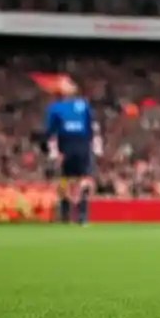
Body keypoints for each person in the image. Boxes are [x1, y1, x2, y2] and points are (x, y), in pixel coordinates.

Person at [44, 79, 101, 225]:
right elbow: (92, 127)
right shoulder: (84, 105)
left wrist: (52, 150)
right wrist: (94, 146)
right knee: (84, 178)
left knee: (65, 178)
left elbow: (50, 130)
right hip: (82, 144)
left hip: (66, 144)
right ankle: (82, 215)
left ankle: (65, 214)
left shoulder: (55, 108)